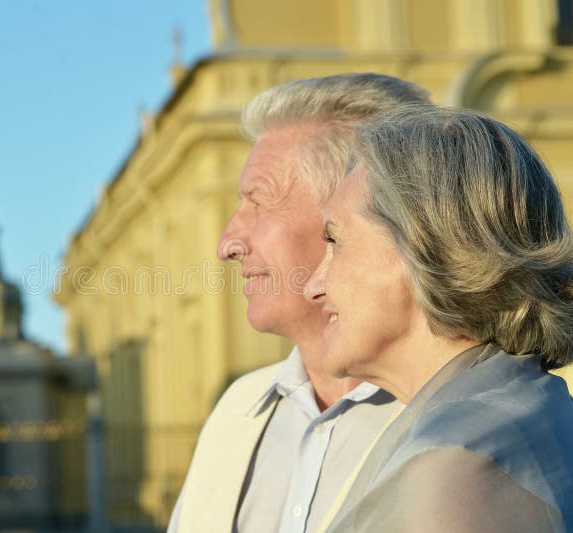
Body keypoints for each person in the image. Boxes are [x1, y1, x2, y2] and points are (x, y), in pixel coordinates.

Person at [168, 74, 431, 533]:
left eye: (258, 204)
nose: (228, 243)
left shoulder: (466, 414)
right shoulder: (235, 414)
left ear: (355, 211)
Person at [305, 106, 573, 532]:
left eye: (334, 240)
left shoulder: (458, 464)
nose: (312, 286)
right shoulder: (514, 412)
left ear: (422, 247)